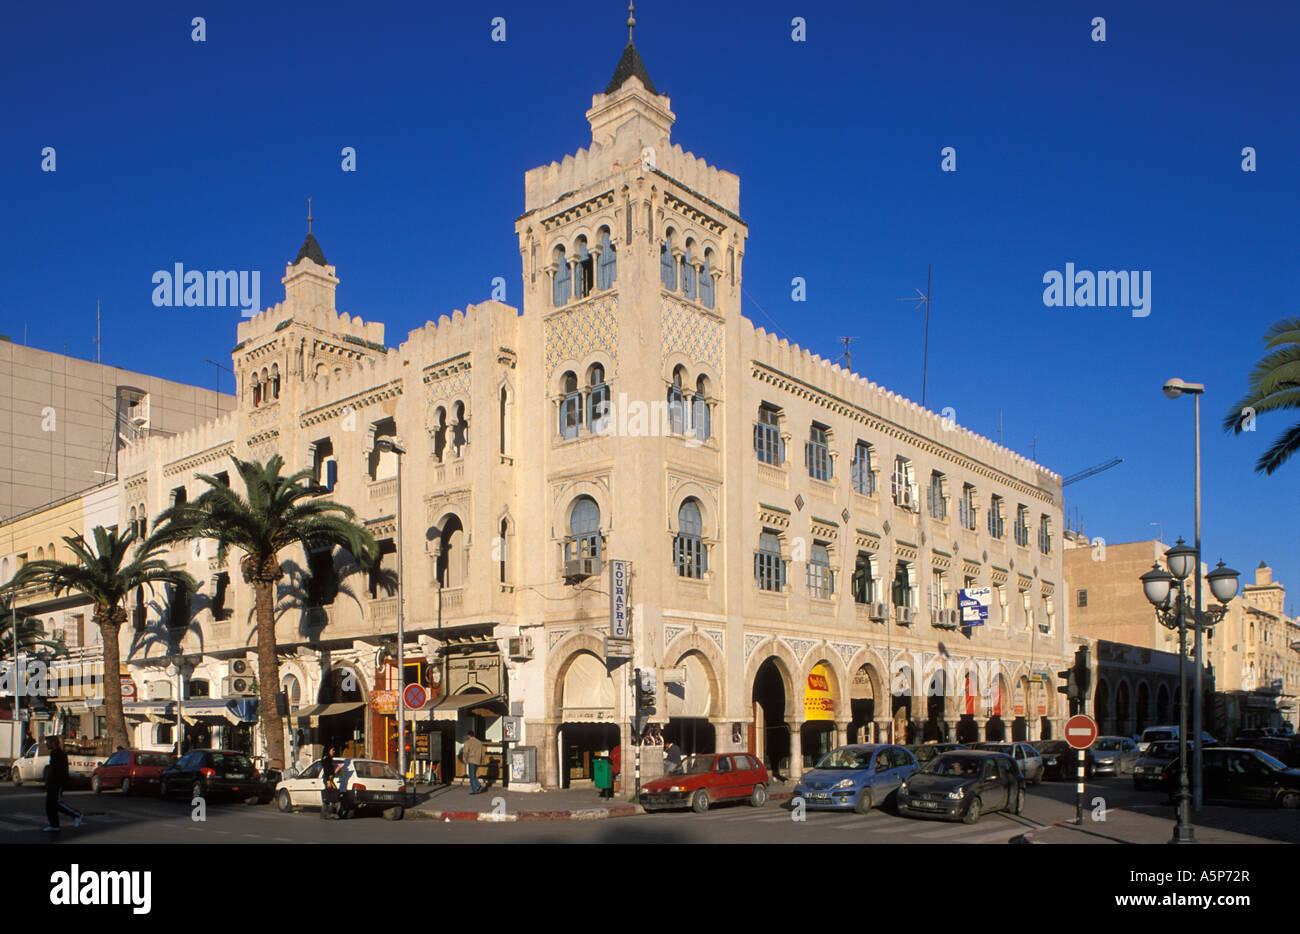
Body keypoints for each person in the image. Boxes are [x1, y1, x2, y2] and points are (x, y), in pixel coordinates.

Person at [43, 736, 83, 832]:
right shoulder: (56, 753)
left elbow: (57, 770)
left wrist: (54, 781)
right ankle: (54, 825)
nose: (46, 744)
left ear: (53, 743)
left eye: (48, 742)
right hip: (54, 783)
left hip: (56, 783)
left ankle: (76, 814)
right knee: (50, 805)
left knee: (56, 803)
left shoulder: (57, 754)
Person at [463, 730, 485, 794]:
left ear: (469, 735)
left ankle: (475, 790)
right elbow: (482, 752)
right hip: (477, 760)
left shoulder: (467, 742)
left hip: (471, 760)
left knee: (472, 776)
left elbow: (465, 752)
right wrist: (482, 759)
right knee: (474, 774)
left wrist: (465, 759)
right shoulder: (479, 742)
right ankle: (478, 785)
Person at [320, 746, 338, 820]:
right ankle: (328, 813)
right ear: (328, 750)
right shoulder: (327, 759)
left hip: (330, 779)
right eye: (332, 750)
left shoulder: (328, 759)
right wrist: (328, 781)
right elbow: (327, 771)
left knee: (329, 795)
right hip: (329, 779)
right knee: (332, 795)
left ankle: (325, 813)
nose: (333, 752)